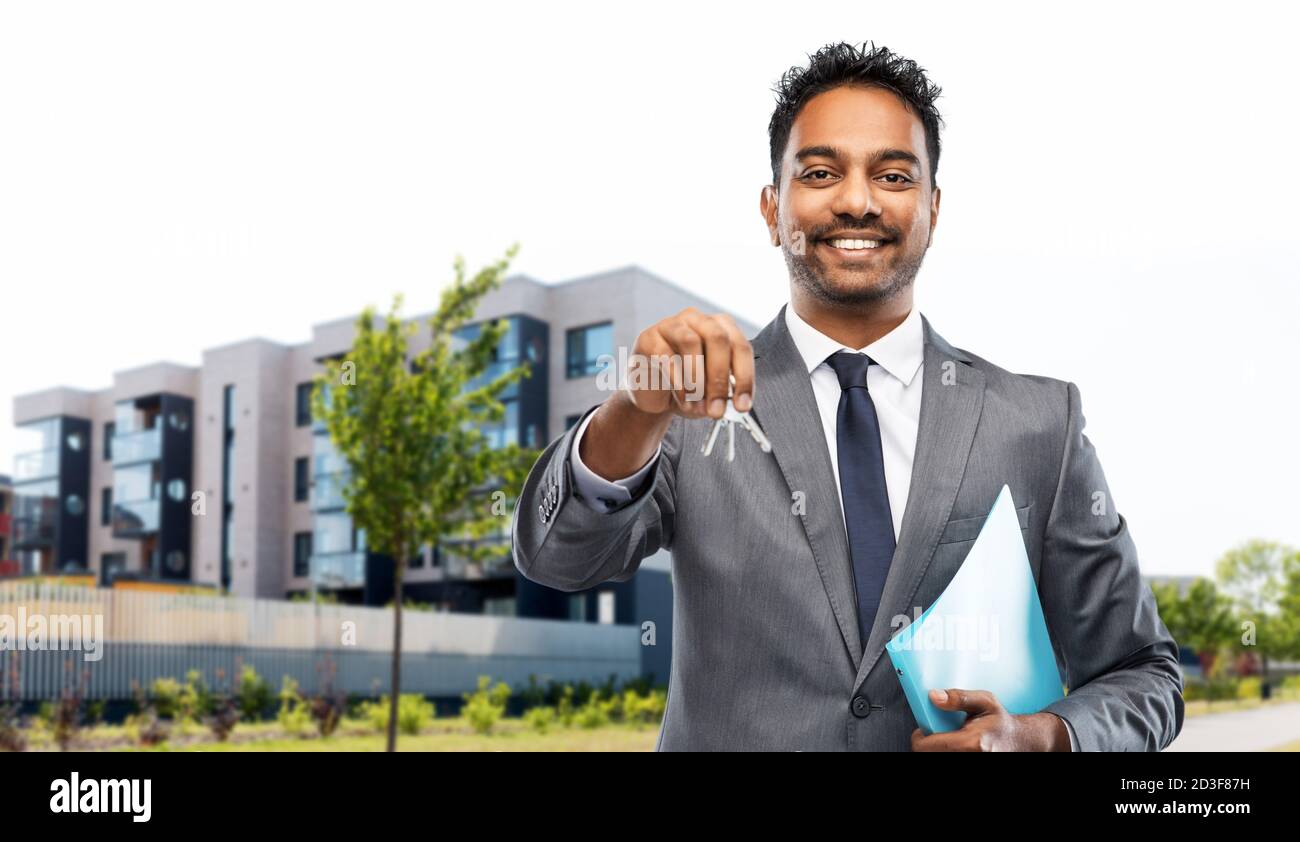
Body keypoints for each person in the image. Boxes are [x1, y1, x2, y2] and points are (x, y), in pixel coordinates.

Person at [511, 41, 1184, 751]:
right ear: (773, 210)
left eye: (892, 175)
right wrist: (635, 407)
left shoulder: (1039, 424)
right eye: (821, 172)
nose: (857, 201)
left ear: (932, 208)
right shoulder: (687, 406)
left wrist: (1049, 736)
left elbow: (1144, 673)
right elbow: (557, 560)